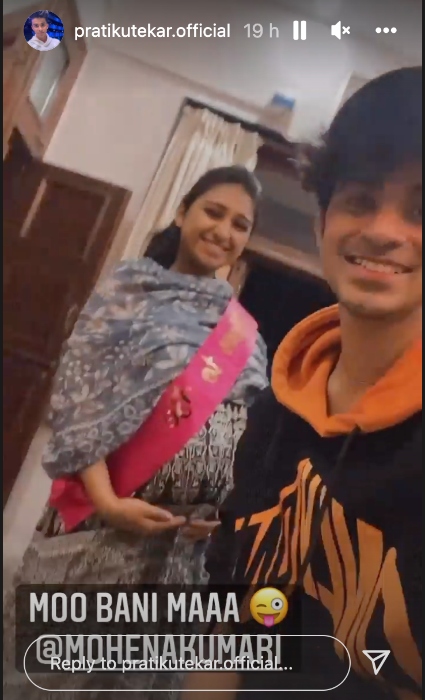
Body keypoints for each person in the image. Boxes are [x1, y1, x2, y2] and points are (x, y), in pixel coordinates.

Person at [184, 67, 422, 699]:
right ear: (321, 225)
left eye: (422, 209)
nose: (385, 230)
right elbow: (230, 615)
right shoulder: (274, 412)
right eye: (360, 200)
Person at [4, 166, 269, 698]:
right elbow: (79, 402)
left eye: (239, 224)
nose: (224, 231)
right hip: (100, 530)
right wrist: (108, 502)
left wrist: (223, 516)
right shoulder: (128, 294)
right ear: (183, 212)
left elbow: (251, 434)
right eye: (213, 212)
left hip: (181, 554)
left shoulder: (245, 333)